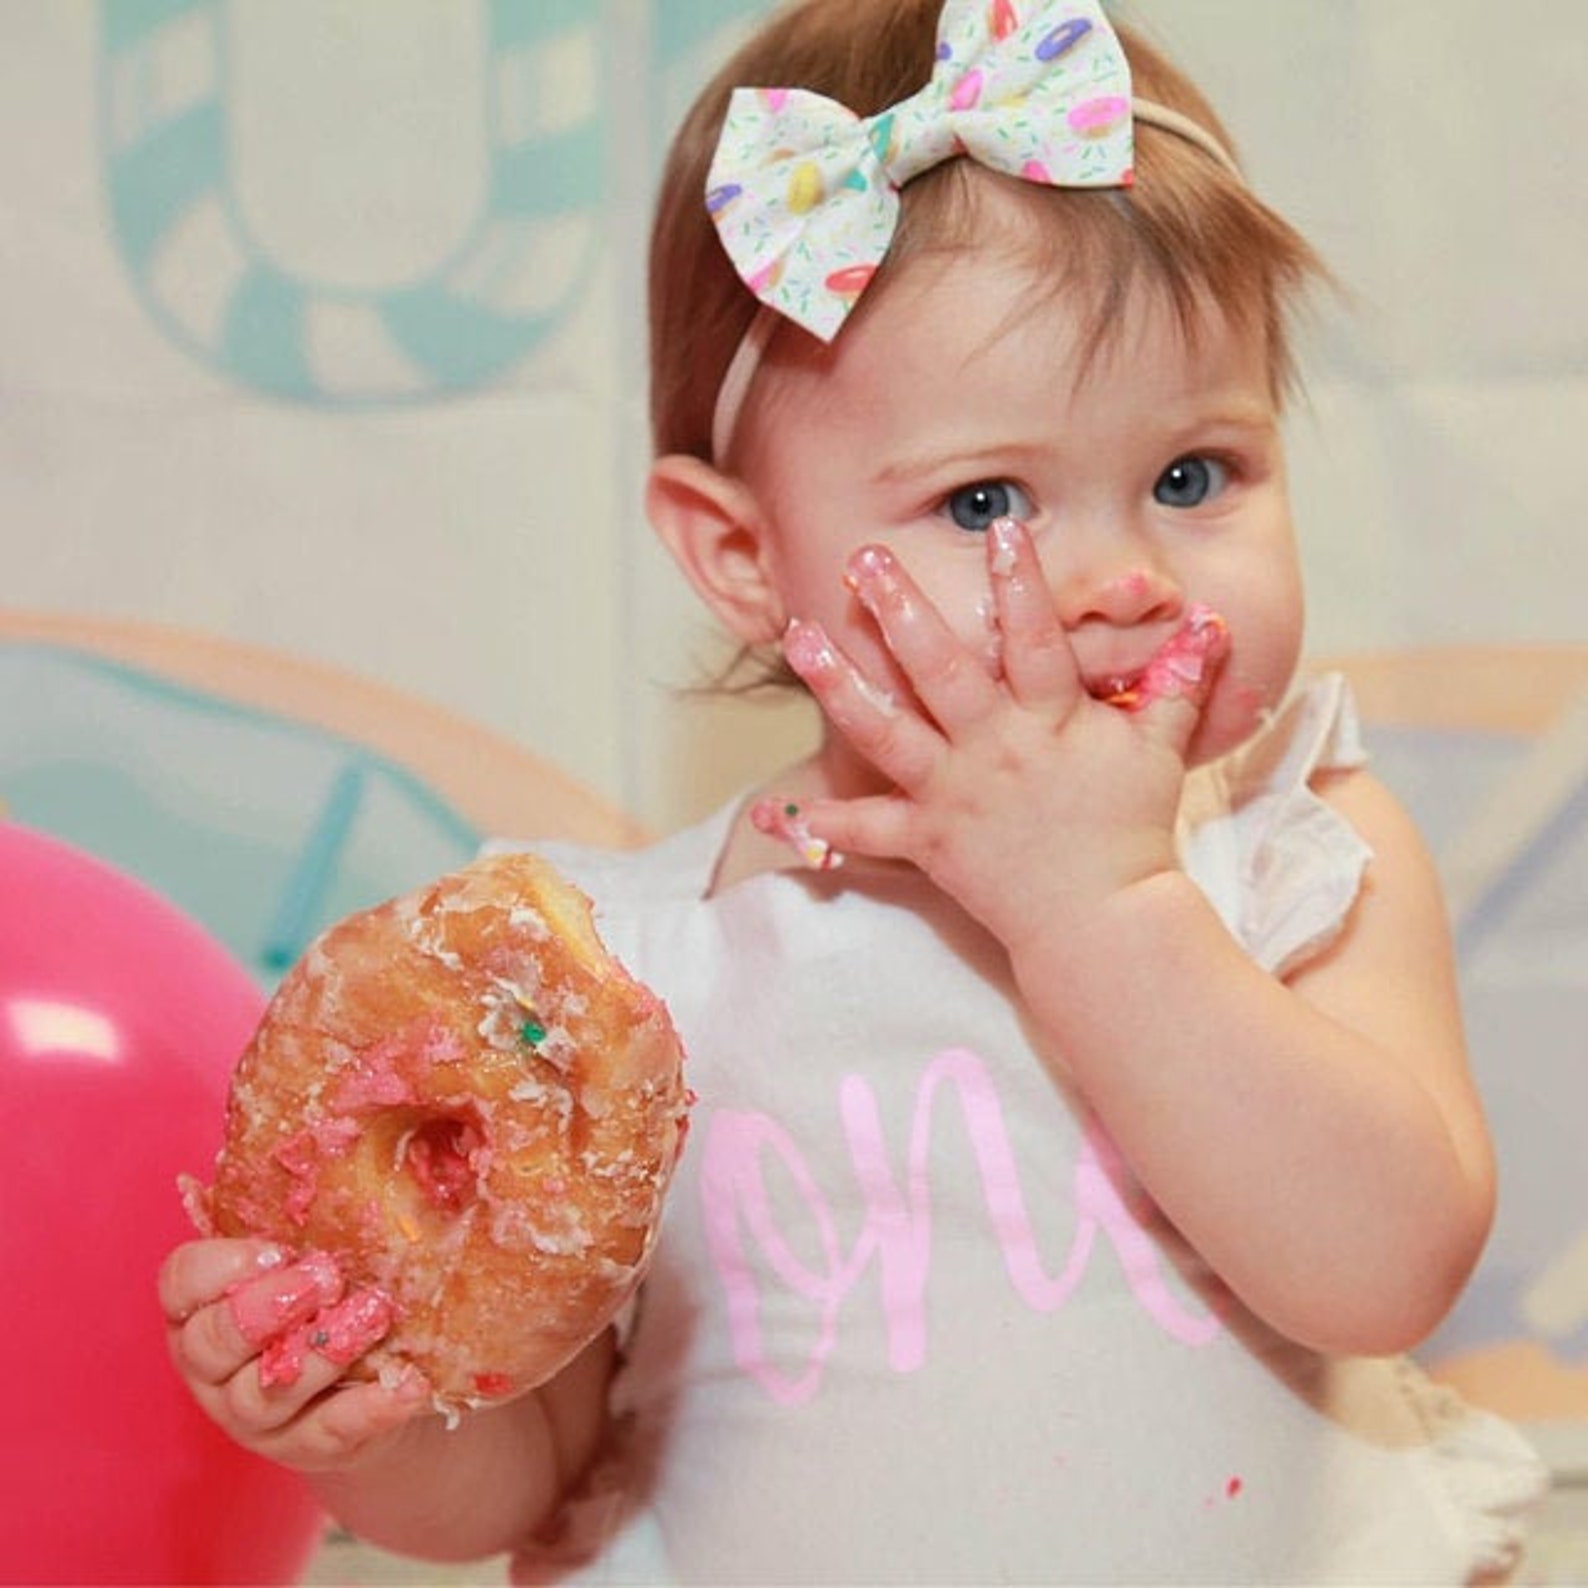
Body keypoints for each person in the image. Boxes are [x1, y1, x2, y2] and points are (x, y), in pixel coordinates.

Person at [159, 1, 1548, 1580]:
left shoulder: (1289, 843)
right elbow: (520, 1489)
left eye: (1191, 475)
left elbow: (1384, 1270)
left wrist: (1109, 902)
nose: (1118, 578)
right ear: (744, 556)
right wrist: (377, 1419)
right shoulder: (617, 977)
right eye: (985, 499)